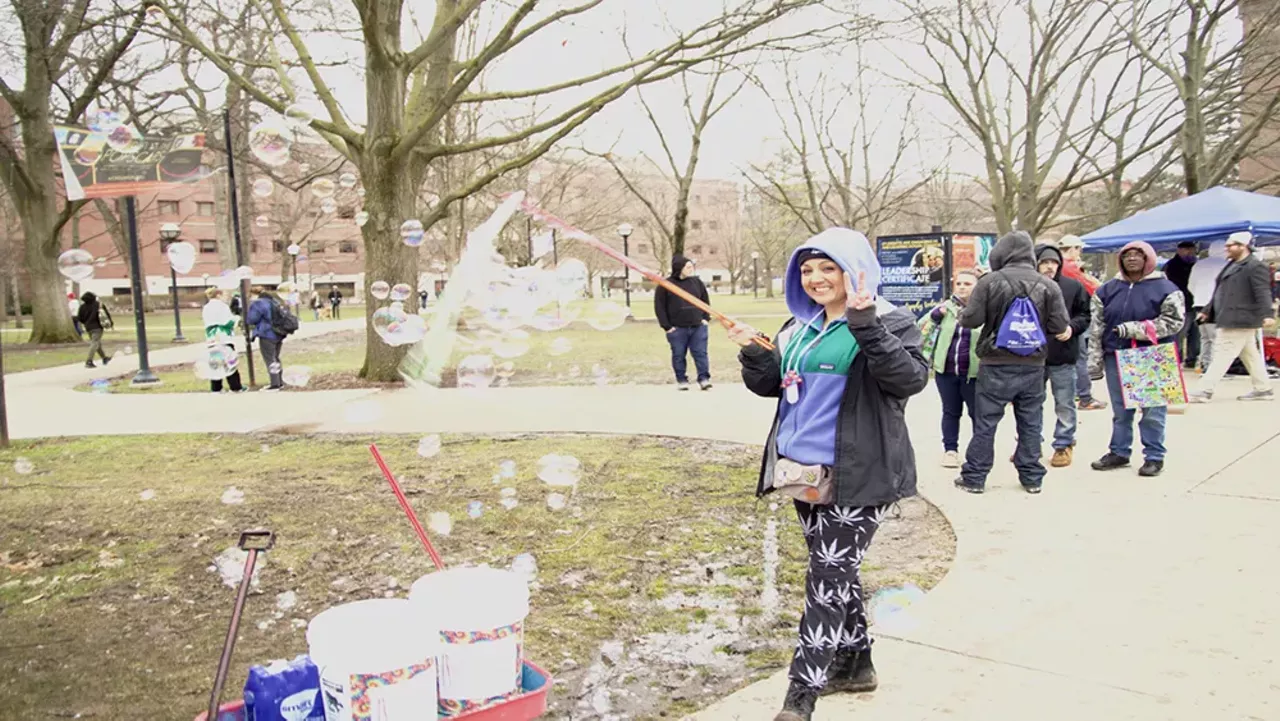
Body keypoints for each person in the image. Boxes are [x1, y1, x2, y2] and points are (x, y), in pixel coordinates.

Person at [728, 228, 928, 720]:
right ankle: (856, 666)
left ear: (853, 270)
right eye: (807, 270)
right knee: (836, 572)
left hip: (860, 477)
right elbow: (775, 386)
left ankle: (799, 700)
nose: (815, 278)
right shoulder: (798, 327)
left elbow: (908, 379)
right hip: (804, 473)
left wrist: (864, 324)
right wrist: (756, 353)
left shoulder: (889, 321)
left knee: (824, 582)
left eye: (827, 268)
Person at [954, 231, 1070, 494]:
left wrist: (962, 313)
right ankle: (1032, 477)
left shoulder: (989, 282)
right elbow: (1059, 325)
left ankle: (975, 477)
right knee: (1030, 422)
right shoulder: (1048, 285)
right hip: (1033, 364)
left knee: (986, 422)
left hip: (995, 363)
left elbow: (971, 320)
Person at [1087, 241, 1184, 476]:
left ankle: (1154, 456)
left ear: (1148, 259)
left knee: (1152, 411)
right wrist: (1094, 359)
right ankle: (1119, 452)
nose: (1131, 259)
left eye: (1137, 255)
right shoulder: (1107, 290)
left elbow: (1174, 321)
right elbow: (1097, 326)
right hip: (1115, 355)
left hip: (1152, 356)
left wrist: (1135, 329)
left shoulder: (1166, 288)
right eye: (1127, 255)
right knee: (1121, 410)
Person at [1189, 232, 1274, 402]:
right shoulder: (1232, 264)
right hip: (1230, 316)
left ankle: (1205, 389)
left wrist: (1268, 314)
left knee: (1222, 353)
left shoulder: (1255, 266)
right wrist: (1207, 310)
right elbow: (1220, 291)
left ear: (1243, 246)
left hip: (1240, 318)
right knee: (1250, 355)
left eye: (1231, 245)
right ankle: (1263, 388)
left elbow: (1263, 292)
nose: (1227, 248)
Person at [918, 269, 981, 468]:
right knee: (951, 412)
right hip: (946, 372)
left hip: (974, 373)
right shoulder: (945, 308)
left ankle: (979, 451)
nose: (962, 287)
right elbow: (920, 328)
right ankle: (950, 450)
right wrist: (935, 316)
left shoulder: (984, 309)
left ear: (977, 286)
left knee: (978, 413)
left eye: (967, 284)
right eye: (959, 283)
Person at [1036, 244, 1091, 468]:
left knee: (1065, 403)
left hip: (1063, 354)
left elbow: (1085, 315)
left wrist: (1072, 328)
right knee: (1031, 404)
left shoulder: (1073, 287)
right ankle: (1030, 444)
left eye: (1053, 262)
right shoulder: (1027, 286)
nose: (1049, 267)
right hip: (1033, 356)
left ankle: (1064, 443)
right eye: (1044, 262)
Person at [1056, 235, 1106, 410]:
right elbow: (1095, 288)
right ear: (1072, 249)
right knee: (1080, 357)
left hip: (1062, 318)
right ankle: (1084, 397)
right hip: (1076, 318)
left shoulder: (1057, 267)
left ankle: (1080, 395)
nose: (1080, 253)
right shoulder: (1070, 268)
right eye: (1079, 249)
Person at [654, 255, 712, 391]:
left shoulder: (697, 282)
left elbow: (705, 301)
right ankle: (682, 380)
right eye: (688, 267)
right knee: (678, 355)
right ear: (680, 268)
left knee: (701, 353)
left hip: (698, 326)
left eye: (692, 266)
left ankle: (704, 379)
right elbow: (660, 307)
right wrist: (667, 327)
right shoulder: (666, 285)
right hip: (677, 328)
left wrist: (705, 318)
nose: (691, 269)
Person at [1163, 241, 1200, 369]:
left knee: (1195, 334)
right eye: (1187, 250)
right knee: (1179, 334)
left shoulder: (1196, 264)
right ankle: (1176, 359)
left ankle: (1193, 359)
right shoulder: (1172, 266)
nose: (1191, 253)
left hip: (1196, 303)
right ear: (1179, 250)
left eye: (1192, 250)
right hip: (1181, 304)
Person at [202, 287, 244, 393]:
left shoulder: (206, 307)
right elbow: (228, 322)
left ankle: (216, 387)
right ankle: (235, 386)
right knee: (230, 362)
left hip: (212, 338)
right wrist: (237, 318)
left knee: (216, 363)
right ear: (218, 295)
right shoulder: (222, 306)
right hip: (223, 337)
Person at [247, 286, 285, 391]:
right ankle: (280, 381)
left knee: (269, 359)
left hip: (266, 333)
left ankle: (275, 384)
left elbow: (251, 319)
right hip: (279, 333)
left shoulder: (258, 303)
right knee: (276, 357)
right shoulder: (274, 302)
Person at [77, 292, 113, 368]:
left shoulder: (82, 307)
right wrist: (110, 323)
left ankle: (104, 358)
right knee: (95, 343)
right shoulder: (98, 305)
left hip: (88, 327)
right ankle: (89, 361)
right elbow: (106, 314)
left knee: (97, 343)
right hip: (98, 327)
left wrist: (86, 322)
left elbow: (80, 318)